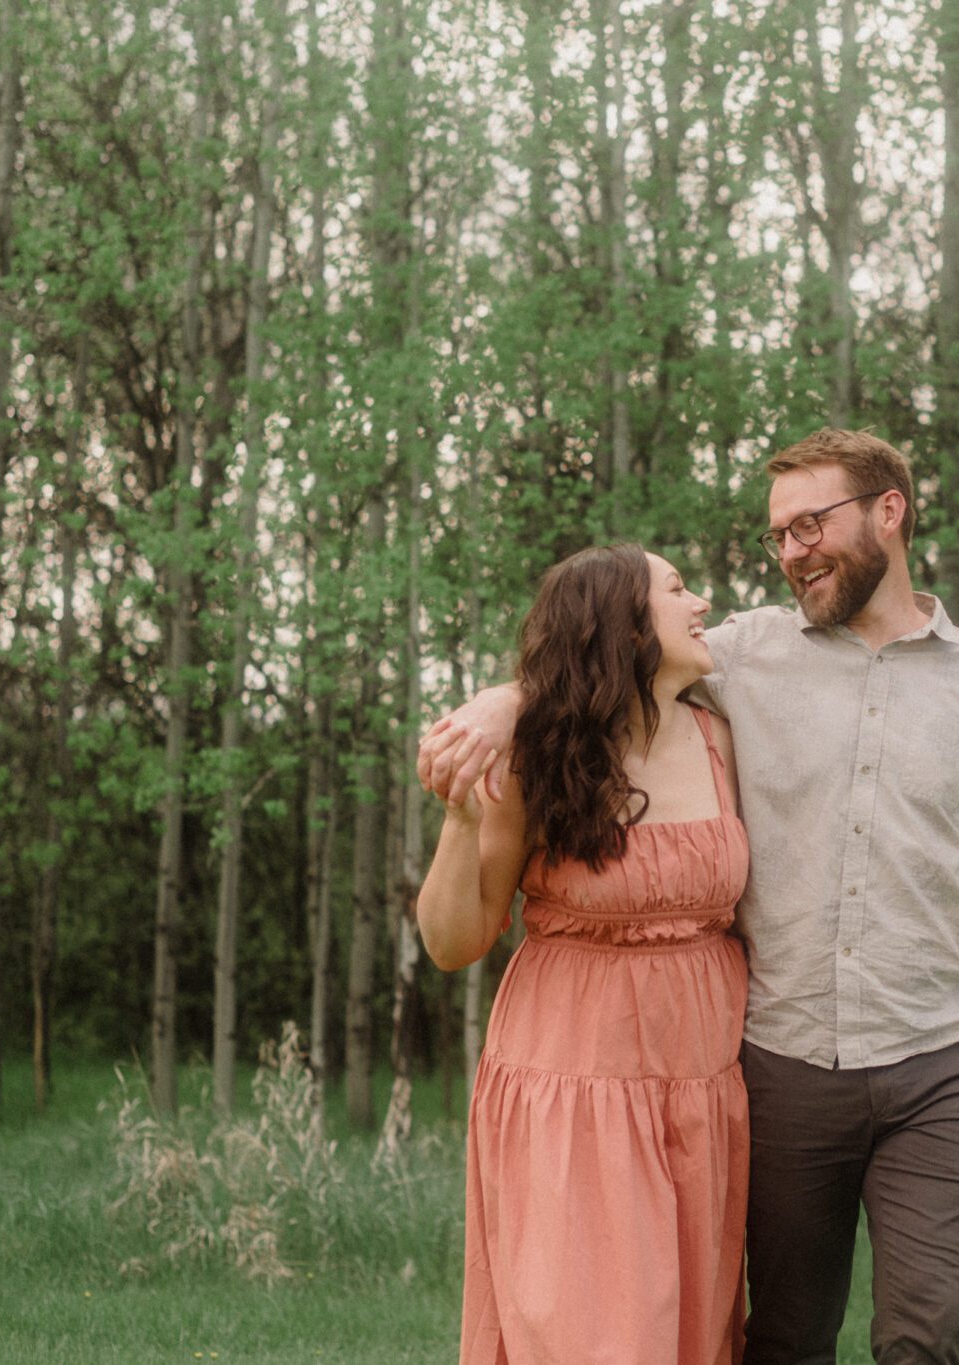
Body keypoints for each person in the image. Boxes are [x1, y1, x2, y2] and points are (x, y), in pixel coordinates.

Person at [424, 429, 959, 1365]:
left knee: (930, 1332)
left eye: (811, 523)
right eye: (779, 535)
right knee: (782, 1337)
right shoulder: (745, 655)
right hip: (773, 1059)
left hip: (935, 1052)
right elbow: (595, 647)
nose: (791, 550)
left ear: (891, 511)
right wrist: (500, 702)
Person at [413, 544, 750, 1365]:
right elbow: (453, 941)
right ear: (627, 626)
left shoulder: (720, 737)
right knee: (603, 1340)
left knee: (692, 1339)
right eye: (676, 588)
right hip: (576, 1094)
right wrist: (461, 824)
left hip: (703, 1094)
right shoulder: (540, 755)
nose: (702, 600)